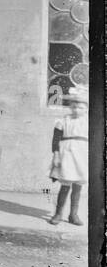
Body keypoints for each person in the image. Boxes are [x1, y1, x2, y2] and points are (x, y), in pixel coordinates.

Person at [49, 84, 88, 225]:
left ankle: (73, 215)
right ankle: (58, 213)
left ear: (86, 109)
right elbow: (55, 141)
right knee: (65, 185)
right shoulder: (63, 121)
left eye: (81, 107)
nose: (77, 110)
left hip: (82, 155)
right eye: (75, 107)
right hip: (67, 155)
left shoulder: (88, 122)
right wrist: (56, 155)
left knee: (78, 186)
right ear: (71, 107)